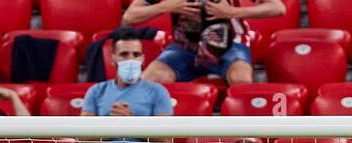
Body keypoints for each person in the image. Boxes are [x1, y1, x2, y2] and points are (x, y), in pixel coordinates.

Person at [74, 29, 174, 143]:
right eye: (124, 54)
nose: (131, 59)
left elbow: (166, 142)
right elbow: (81, 139)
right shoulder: (96, 91)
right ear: (113, 58)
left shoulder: (158, 91)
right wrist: (113, 124)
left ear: (143, 58)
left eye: (136, 54)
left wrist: (132, 124)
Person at [122, 0, 284, 87]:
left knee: (240, 79)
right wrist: (166, 6)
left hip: (229, 44)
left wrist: (233, 12)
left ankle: (246, 140)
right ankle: (143, 139)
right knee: (148, 79)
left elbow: (278, 7)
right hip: (183, 47)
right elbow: (130, 16)